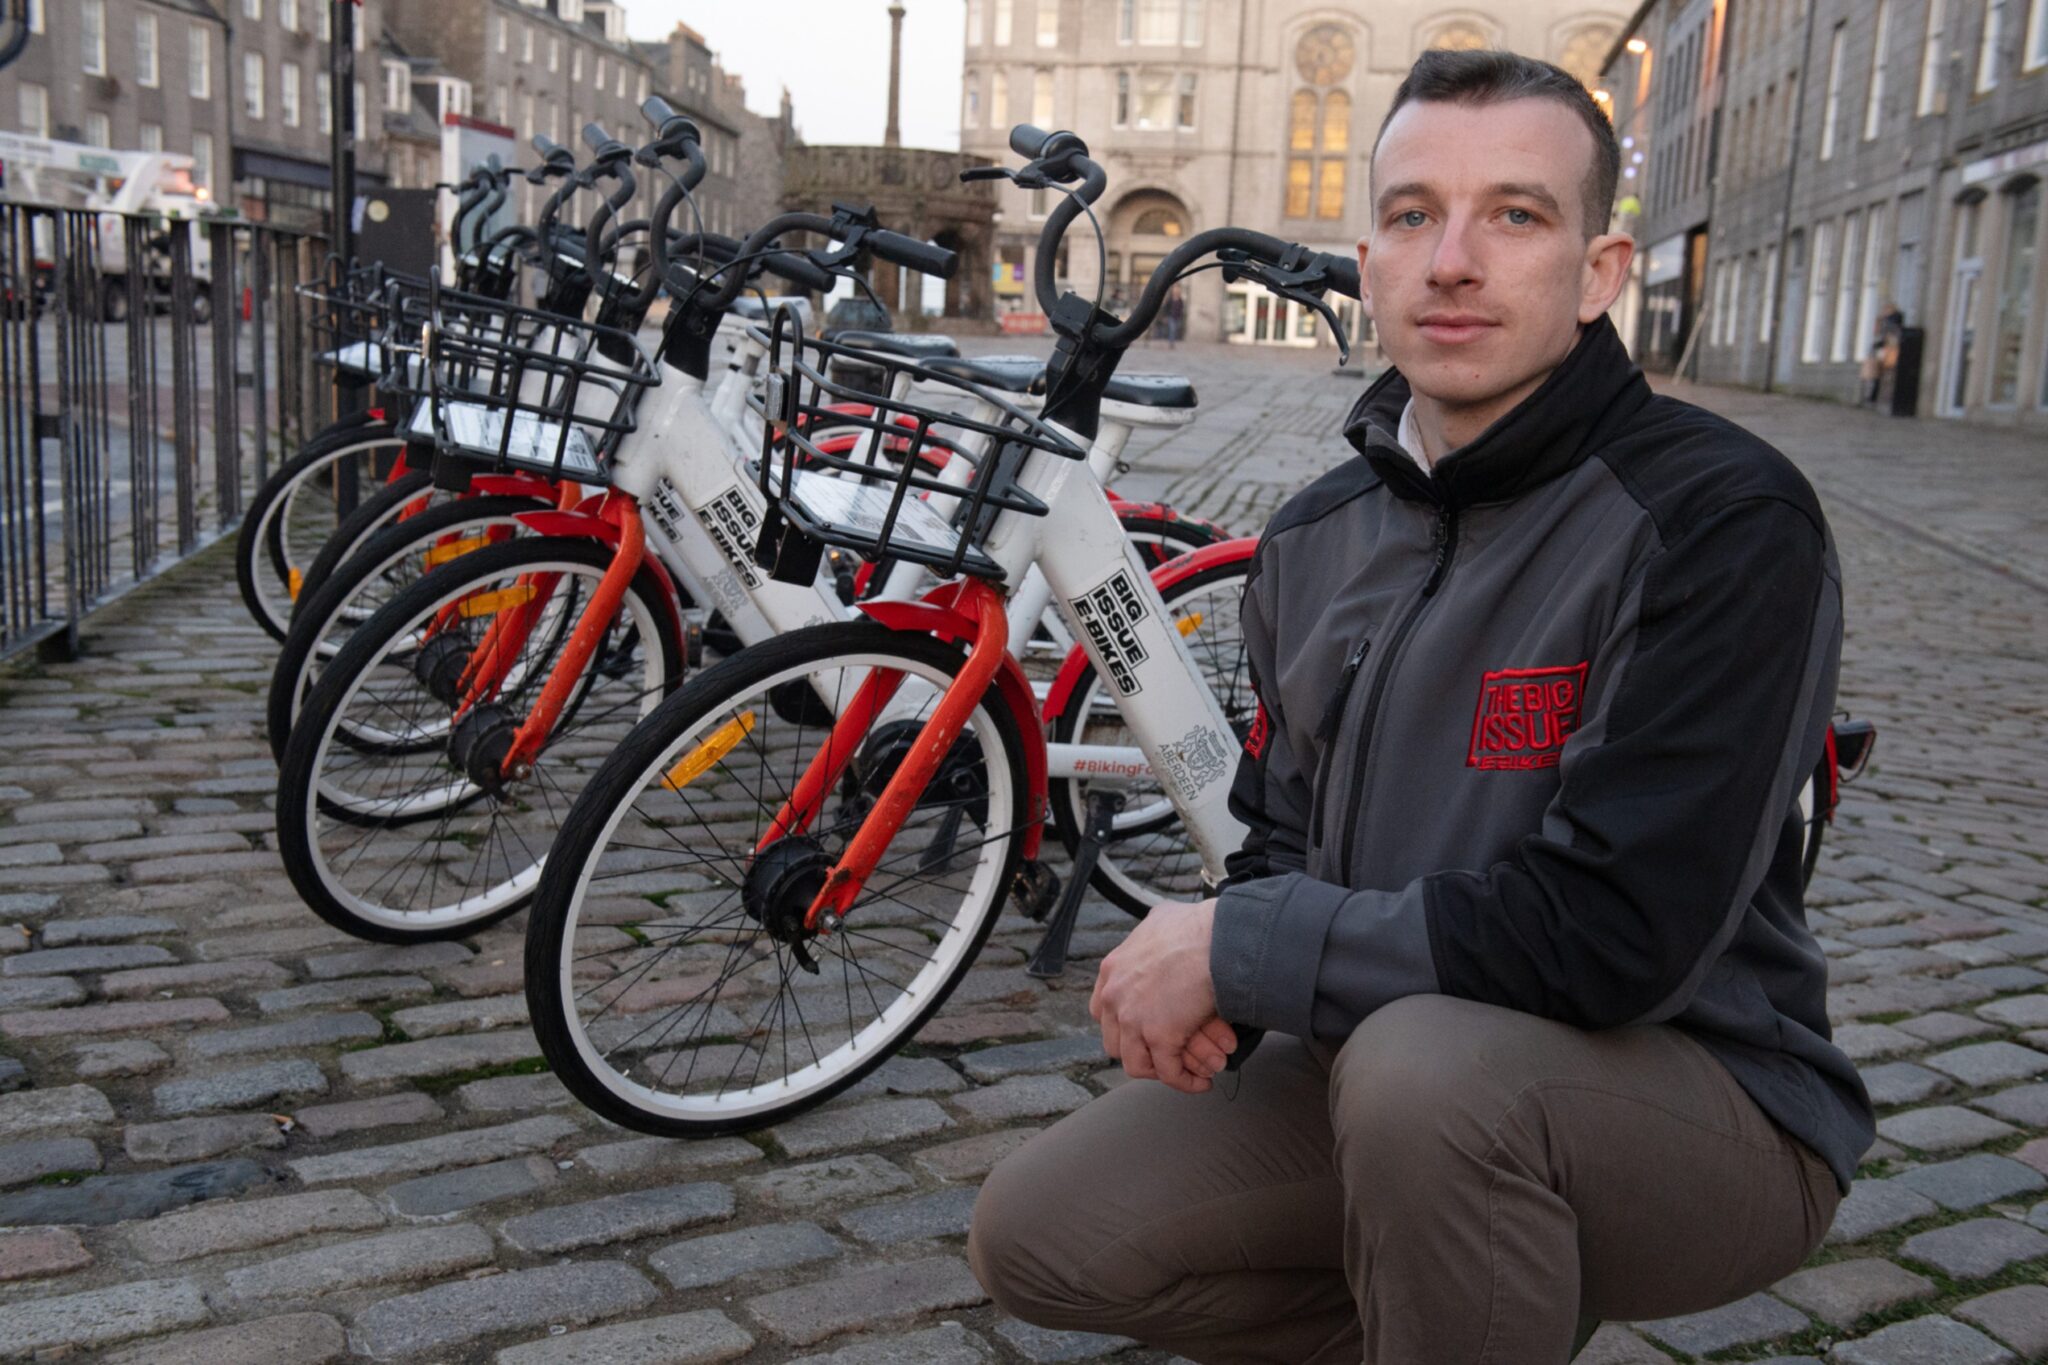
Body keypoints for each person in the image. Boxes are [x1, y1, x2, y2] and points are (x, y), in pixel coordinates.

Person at [968, 48, 1870, 1365]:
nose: (1454, 259)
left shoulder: (1720, 519)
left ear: (1599, 271)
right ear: (1368, 261)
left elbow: (1622, 935)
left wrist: (1241, 946)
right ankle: (1451, 1304)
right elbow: (1283, 831)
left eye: (1514, 214)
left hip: (1705, 1089)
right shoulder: (1317, 533)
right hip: (1384, 1062)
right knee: (1040, 1233)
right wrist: (1238, 985)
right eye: (1412, 217)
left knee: (1426, 1086)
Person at [1866, 302, 1905, 405]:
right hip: (1886, 349)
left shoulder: (1891, 321)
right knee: (1879, 371)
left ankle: (1875, 395)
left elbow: (1889, 336)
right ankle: (1874, 394)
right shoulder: (1887, 321)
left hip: (1888, 350)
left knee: (1882, 371)